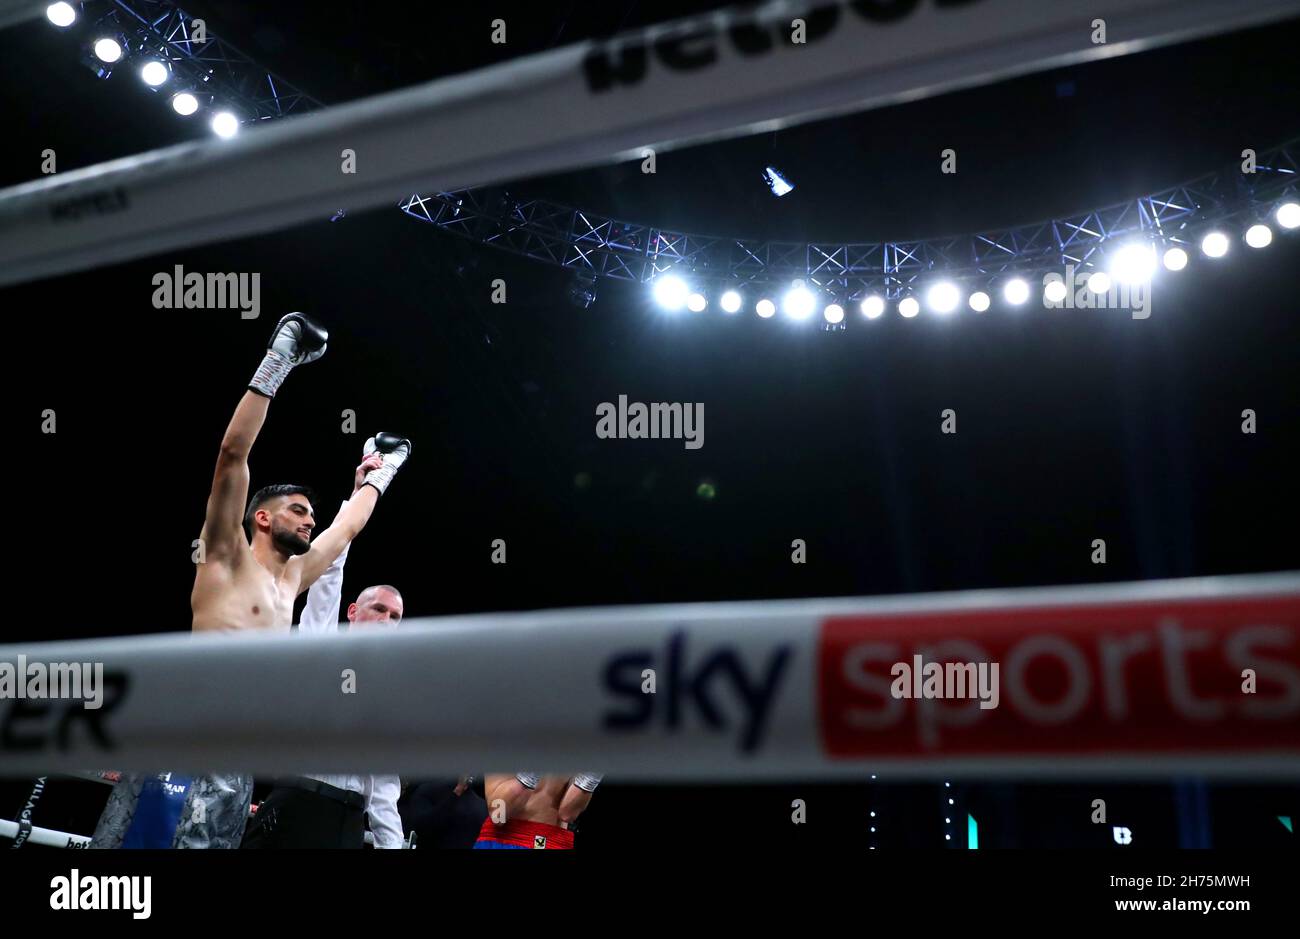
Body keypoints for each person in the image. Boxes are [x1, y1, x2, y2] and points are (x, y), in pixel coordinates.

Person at [91, 314, 411, 849]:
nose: (311, 521)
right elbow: (231, 456)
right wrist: (279, 360)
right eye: (299, 510)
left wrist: (382, 471)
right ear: (262, 517)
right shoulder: (224, 557)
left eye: (312, 514)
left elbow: (349, 525)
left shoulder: (292, 580)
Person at [243, 436, 410, 849]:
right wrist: (357, 494)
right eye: (378, 609)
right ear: (352, 612)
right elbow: (329, 570)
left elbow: (384, 785)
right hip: (296, 801)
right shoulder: (320, 641)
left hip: (348, 822)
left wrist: (392, 846)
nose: (386, 620)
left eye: (395, 616)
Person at [474, 773, 602, 850]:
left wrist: (591, 777)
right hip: (503, 841)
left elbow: (567, 814)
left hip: (553, 842)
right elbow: (498, 816)